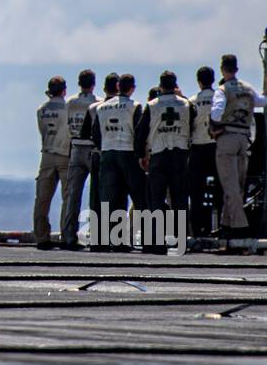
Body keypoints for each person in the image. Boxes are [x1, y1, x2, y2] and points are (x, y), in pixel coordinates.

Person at [209, 53, 267, 240]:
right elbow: (263, 101)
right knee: (239, 184)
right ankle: (227, 224)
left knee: (230, 185)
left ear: (222, 69)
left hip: (227, 137)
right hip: (244, 138)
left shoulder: (222, 90)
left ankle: (240, 226)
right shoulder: (248, 89)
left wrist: (214, 126)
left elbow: (216, 113)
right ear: (236, 69)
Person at [136, 71, 192, 253]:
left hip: (158, 155)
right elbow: (195, 122)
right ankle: (182, 240)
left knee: (156, 200)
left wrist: (140, 155)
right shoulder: (186, 104)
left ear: (160, 86)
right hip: (180, 155)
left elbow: (141, 132)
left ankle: (156, 242)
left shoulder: (152, 105)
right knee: (180, 199)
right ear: (175, 86)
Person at [88, 72, 143, 248]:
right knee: (136, 196)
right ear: (132, 88)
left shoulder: (102, 107)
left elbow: (95, 134)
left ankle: (102, 240)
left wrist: (105, 145)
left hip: (107, 152)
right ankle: (126, 240)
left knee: (108, 198)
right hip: (127, 153)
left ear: (118, 87)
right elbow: (139, 132)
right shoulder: (135, 106)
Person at [78, 72, 119, 247]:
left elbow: (85, 133)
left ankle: (97, 238)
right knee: (117, 197)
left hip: (97, 154)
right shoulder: (127, 106)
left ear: (104, 88)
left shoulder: (95, 108)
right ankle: (116, 237)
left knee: (96, 197)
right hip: (118, 153)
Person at [32, 77, 70, 250]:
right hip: (64, 153)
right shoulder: (67, 108)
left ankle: (41, 236)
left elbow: (42, 131)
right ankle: (66, 235)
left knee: (42, 198)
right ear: (64, 90)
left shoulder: (42, 109)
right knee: (67, 197)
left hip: (46, 154)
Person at [61, 70, 98, 249]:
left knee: (72, 195)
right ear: (93, 84)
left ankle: (68, 236)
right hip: (92, 149)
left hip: (75, 147)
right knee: (96, 195)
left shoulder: (70, 103)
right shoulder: (96, 103)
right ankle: (96, 235)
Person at [187, 65, 222, 237]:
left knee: (196, 192)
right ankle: (221, 226)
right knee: (220, 189)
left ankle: (197, 229)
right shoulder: (220, 99)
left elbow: (188, 126)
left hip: (198, 148)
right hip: (216, 146)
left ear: (199, 82)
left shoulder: (192, 101)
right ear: (213, 80)